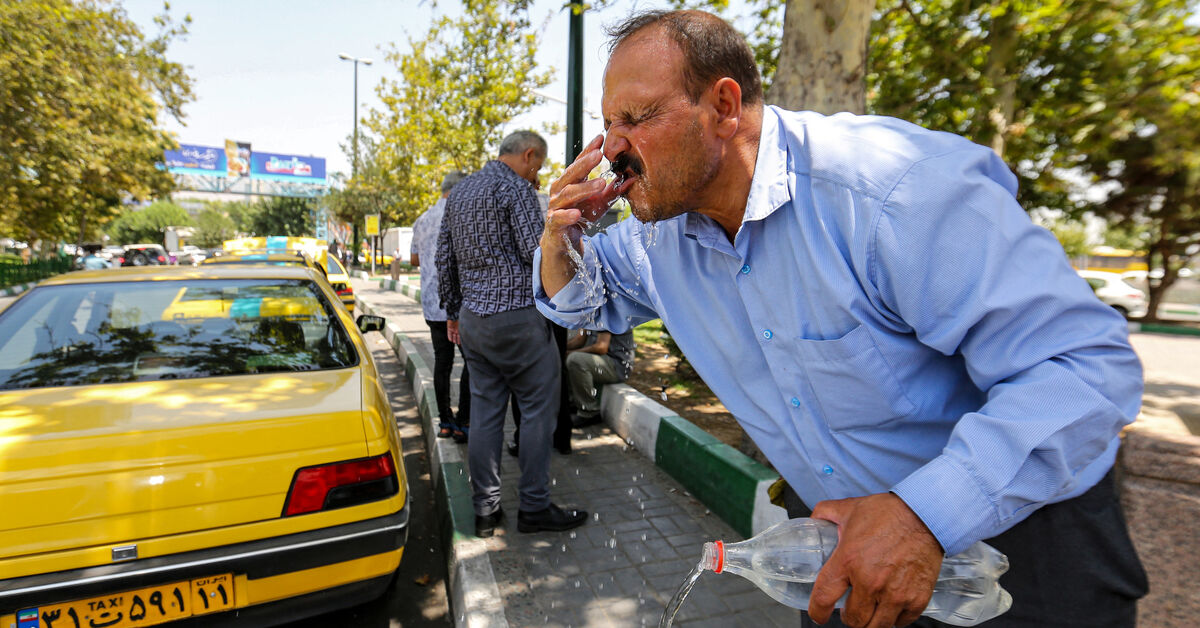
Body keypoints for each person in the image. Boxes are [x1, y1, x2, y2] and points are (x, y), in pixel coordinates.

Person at [535, 10, 1146, 628]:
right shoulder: (660, 239)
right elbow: (587, 300)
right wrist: (558, 243)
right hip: (840, 546)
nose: (612, 148)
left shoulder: (892, 191)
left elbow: (1085, 371)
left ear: (722, 106)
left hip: (1019, 545)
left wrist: (923, 515)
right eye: (608, 125)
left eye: (635, 119)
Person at [437, 130, 588, 538]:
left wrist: (453, 313)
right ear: (528, 154)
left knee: (486, 415)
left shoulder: (463, 191)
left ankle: (485, 512)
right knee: (538, 410)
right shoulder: (516, 190)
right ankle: (534, 507)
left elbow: (443, 257)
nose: (537, 174)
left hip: (474, 321)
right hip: (519, 319)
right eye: (537, 166)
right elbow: (534, 251)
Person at [411, 170, 470, 443]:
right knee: (472, 361)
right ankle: (463, 422)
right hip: (460, 305)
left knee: (442, 363)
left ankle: (445, 422)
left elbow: (414, 259)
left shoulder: (422, 219)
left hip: (433, 306)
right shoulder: (463, 216)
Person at [565, 328, 635, 427]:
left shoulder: (607, 314)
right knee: (563, 356)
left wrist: (571, 353)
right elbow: (579, 339)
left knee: (575, 359)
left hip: (617, 365)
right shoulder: (589, 314)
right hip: (603, 360)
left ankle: (589, 412)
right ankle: (573, 404)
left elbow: (601, 347)